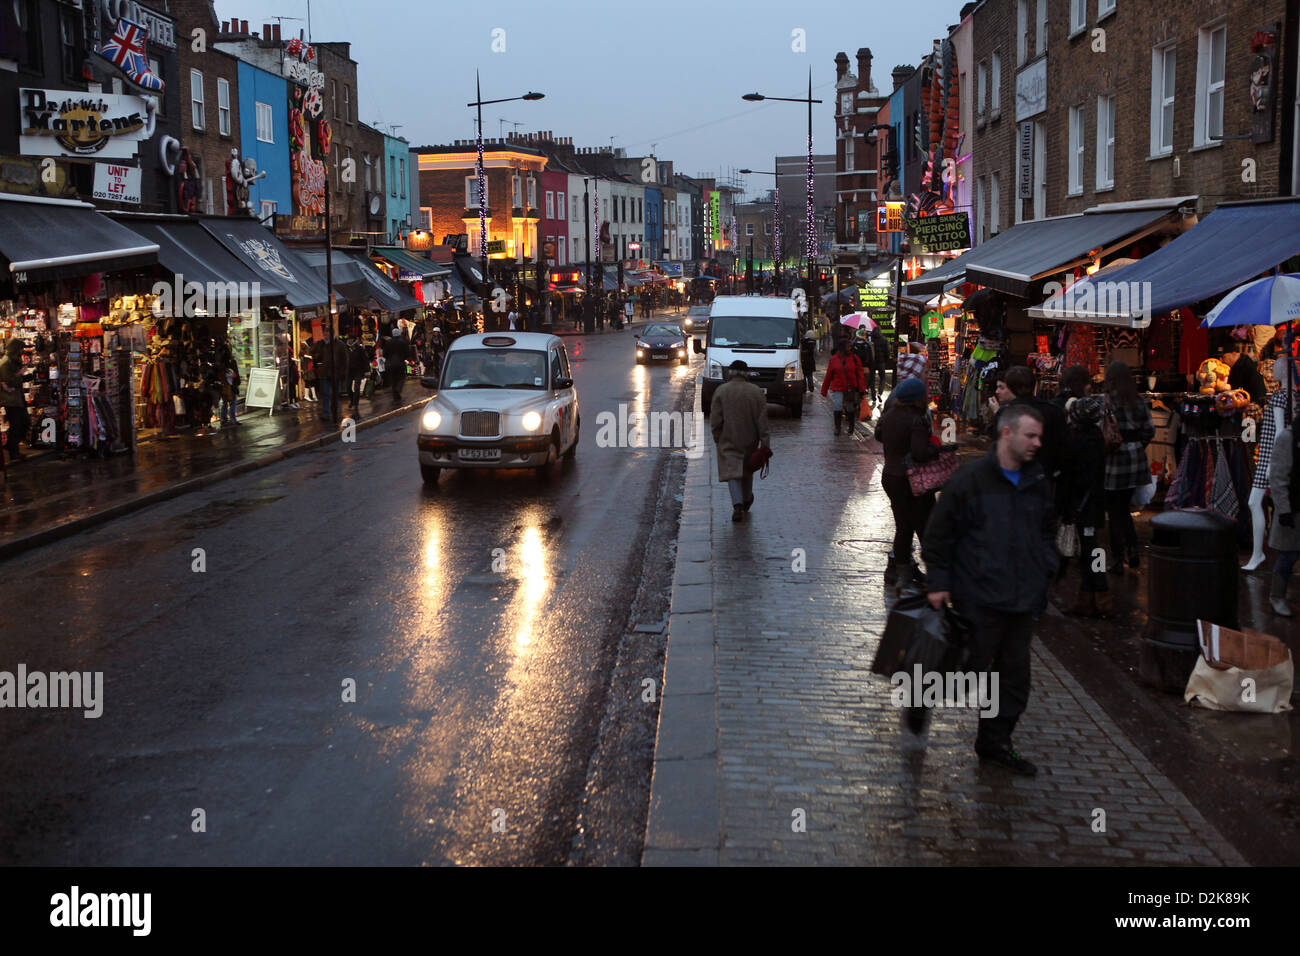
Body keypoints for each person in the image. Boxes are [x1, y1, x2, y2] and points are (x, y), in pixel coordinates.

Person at [922, 404, 1058, 775]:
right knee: (965, 669)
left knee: (1013, 679)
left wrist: (1047, 565)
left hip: (1020, 600)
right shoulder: (970, 481)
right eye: (1030, 435)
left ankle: (995, 741)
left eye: (1039, 437)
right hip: (977, 596)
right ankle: (920, 700)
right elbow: (939, 532)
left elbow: (1047, 529)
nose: (1037, 443)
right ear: (1007, 434)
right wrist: (939, 580)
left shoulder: (1037, 481)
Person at [875, 376, 939, 589]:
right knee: (926, 527)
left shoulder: (888, 415)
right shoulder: (916, 420)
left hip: (890, 477)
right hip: (913, 481)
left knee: (903, 527)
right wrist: (936, 450)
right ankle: (935, 575)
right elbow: (920, 452)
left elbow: (879, 436)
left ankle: (902, 574)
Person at [1245, 356, 1298, 571]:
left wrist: (1272, 464)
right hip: (1285, 456)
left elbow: (1279, 433)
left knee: (1254, 502)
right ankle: (1262, 553)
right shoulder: (1294, 396)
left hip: (1272, 456)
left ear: (1285, 370)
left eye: (1277, 366)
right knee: (1284, 505)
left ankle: (1258, 554)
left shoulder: (1279, 398)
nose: (1273, 369)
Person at [1060, 395, 1110, 617]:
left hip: (1083, 504)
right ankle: (1090, 596)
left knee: (1091, 550)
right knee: (1092, 549)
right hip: (1092, 503)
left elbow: (1073, 476)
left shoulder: (1080, 440)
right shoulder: (1096, 437)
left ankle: (1100, 593)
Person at [1102, 361, 1155, 573]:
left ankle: (1117, 559)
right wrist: (1137, 445)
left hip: (1114, 461)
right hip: (1136, 460)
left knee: (1114, 512)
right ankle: (1133, 552)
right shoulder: (1137, 401)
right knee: (1123, 509)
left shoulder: (1105, 401)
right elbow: (1149, 430)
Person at [710, 360, 771, 523]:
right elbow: (762, 421)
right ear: (746, 374)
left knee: (732, 472)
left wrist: (717, 436)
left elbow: (715, 419)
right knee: (747, 470)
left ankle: (737, 505)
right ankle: (746, 499)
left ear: (730, 373)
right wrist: (765, 443)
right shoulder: (756, 391)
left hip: (728, 438)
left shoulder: (721, 391)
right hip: (750, 439)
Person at [998, 366, 1067, 484]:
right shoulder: (1054, 411)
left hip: (1014, 478)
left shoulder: (1005, 414)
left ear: (1010, 388)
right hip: (1045, 476)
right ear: (1035, 385)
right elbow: (1062, 446)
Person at [1267, 425, 1299, 616]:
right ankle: (1277, 596)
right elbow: (1278, 477)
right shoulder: (1288, 437)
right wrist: (1284, 510)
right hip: (1294, 507)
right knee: (1289, 554)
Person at [820, 338, 866, 436]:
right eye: (848, 346)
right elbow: (828, 375)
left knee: (850, 408)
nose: (850, 348)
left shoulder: (855, 358)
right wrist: (824, 390)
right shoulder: (833, 360)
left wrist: (862, 389)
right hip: (838, 387)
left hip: (850, 388)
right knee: (838, 405)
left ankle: (851, 426)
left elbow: (860, 374)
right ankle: (837, 427)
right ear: (842, 348)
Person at [0, 338, 30, 460]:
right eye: (20, 349)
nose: (21, 351)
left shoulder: (12, 361)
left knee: (22, 424)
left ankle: (12, 446)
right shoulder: (6, 363)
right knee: (17, 425)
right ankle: (13, 450)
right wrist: (22, 376)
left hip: (16, 398)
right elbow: (9, 381)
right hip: (11, 399)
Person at [311, 326, 348, 422]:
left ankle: (335, 411)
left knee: (335, 394)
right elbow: (311, 352)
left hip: (336, 373)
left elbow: (345, 359)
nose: (325, 336)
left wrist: (343, 373)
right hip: (324, 373)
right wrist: (317, 356)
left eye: (327, 334)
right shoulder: (321, 344)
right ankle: (326, 412)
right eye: (324, 334)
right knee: (326, 393)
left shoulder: (340, 345)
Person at [383, 327, 410, 401]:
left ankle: (395, 394)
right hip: (400, 363)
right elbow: (407, 353)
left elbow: (384, 354)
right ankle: (398, 389)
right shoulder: (403, 342)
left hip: (390, 364)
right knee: (401, 377)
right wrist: (404, 358)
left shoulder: (388, 342)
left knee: (393, 379)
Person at [217, 343, 241, 427]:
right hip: (230, 384)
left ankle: (224, 420)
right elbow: (235, 374)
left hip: (225, 384)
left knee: (225, 402)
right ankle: (231, 419)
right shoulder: (231, 362)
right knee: (232, 402)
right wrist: (237, 382)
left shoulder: (221, 363)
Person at [346, 335, 369, 412]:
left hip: (358, 370)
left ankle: (355, 404)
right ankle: (352, 400)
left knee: (356, 388)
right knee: (348, 387)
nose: (350, 341)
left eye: (351, 339)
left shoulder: (359, 349)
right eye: (349, 339)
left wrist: (366, 370)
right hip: (349, 371)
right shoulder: (345, 349)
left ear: (354, 340)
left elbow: (365, 359)